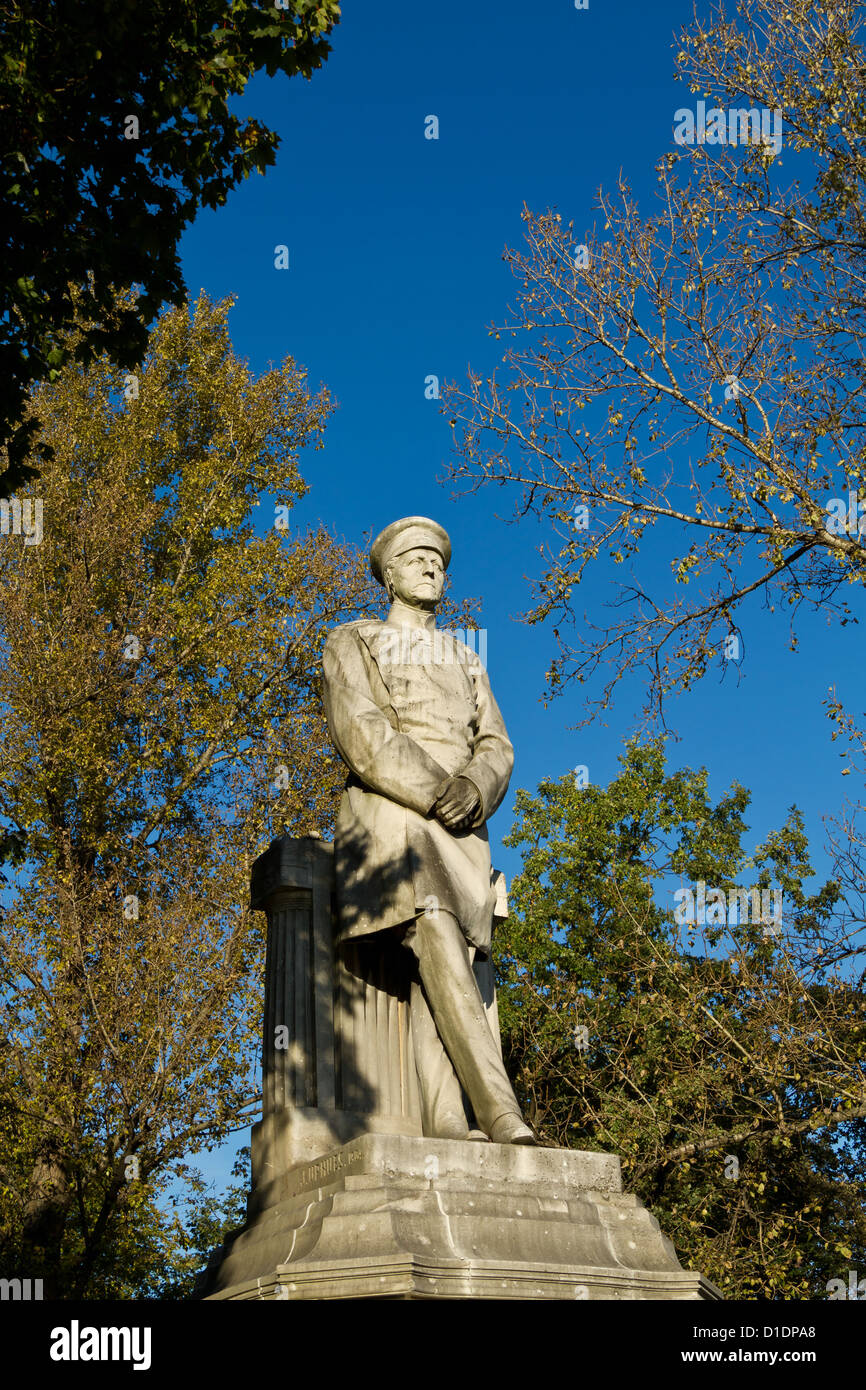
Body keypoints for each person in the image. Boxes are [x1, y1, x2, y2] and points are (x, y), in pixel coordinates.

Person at [321, 516, 536, 1144]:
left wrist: (475, 787)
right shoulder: (353, 640)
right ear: (390, 574)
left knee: (446, 962)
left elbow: (496, 743)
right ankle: (500, 1109)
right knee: (437, 925)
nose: (432, 569)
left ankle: (445, 1120)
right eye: (417, 561)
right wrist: (439, 789)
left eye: (438, 562)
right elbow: (363, 733)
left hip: (465, 828)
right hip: (394, 823)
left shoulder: (466, 657)